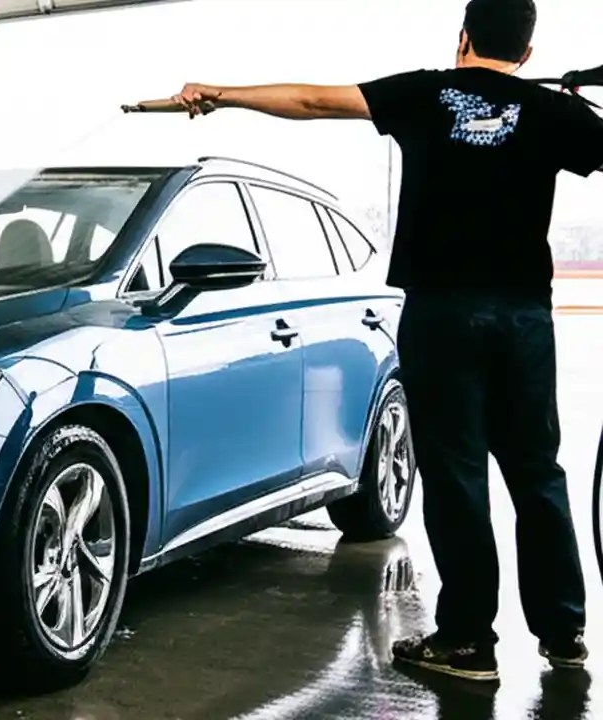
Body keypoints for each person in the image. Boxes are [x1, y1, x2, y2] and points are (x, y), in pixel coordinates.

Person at [128, 0, 603, 683]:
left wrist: (222, 94)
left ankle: (469, 641)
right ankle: (564, 631)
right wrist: (577, 104)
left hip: (443, 315)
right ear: (526, 51)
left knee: (457, 474)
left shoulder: (427, 92)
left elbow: (315, 101)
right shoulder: (553, 112)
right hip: (524, 318)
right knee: (537, 473)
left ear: (462, 37)